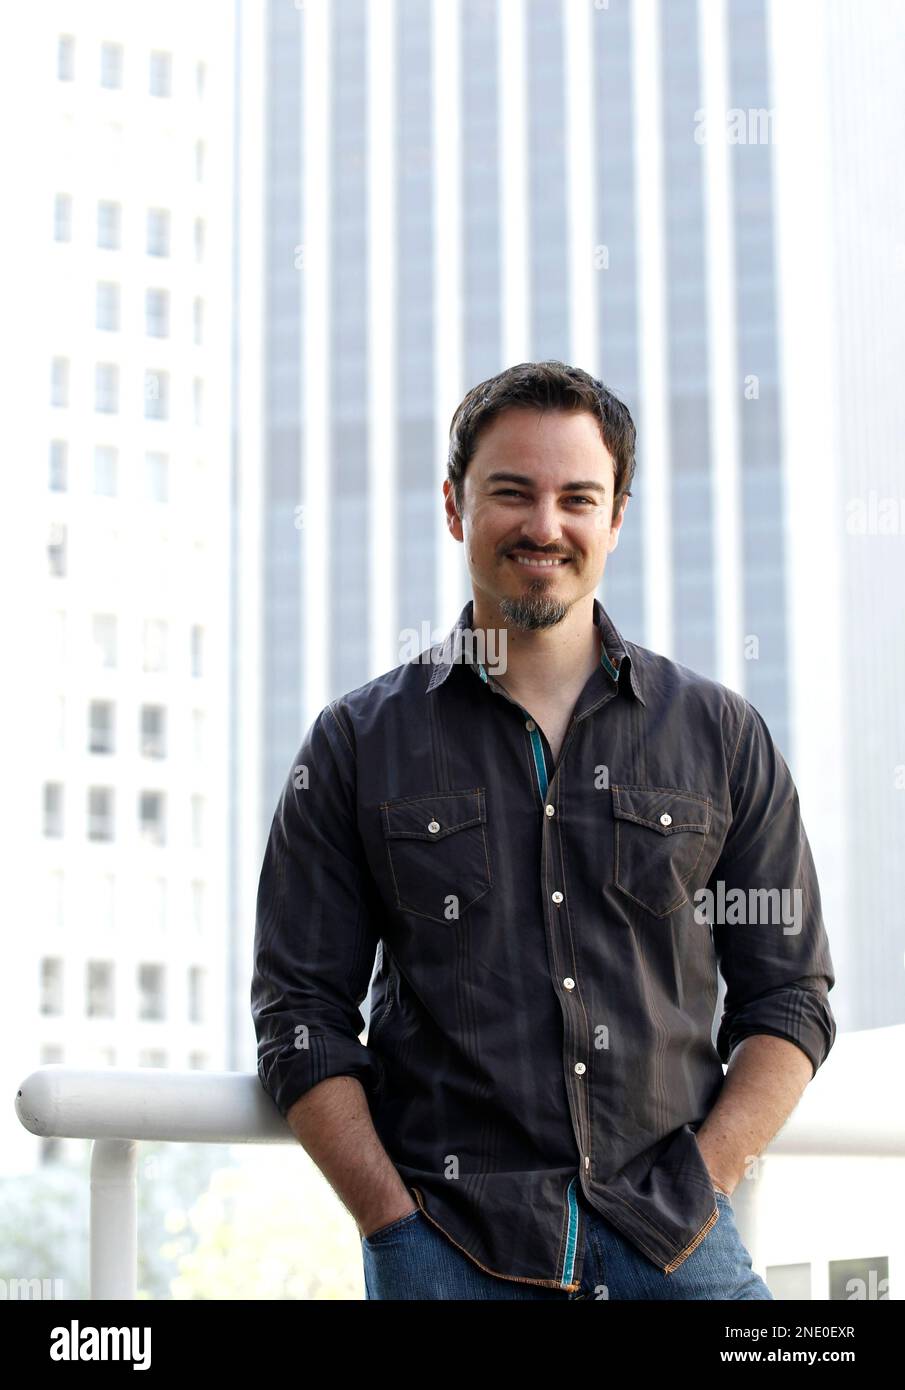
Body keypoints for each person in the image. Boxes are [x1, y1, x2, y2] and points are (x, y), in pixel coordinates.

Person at [251, 360, 836, 1300]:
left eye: (577, 497)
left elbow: (789, 998)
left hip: (679, 1248)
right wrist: (392, 1227)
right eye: (511, 494)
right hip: (450, 1251)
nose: (544, 526)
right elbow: (298, 1016)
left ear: (616, 517)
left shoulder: (719, 735)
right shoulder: (358, 744)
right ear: (454, 506)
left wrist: (706, 1180)